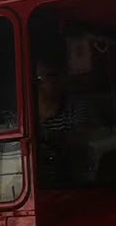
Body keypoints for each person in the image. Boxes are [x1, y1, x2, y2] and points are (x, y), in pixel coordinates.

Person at [34, 54, 92, 187]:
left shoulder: (75, 108)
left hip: (70, 184)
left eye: (47, 76)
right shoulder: (21, 114)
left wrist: (45, 136)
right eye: (38, 78)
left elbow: (80, 141)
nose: (41, 83)